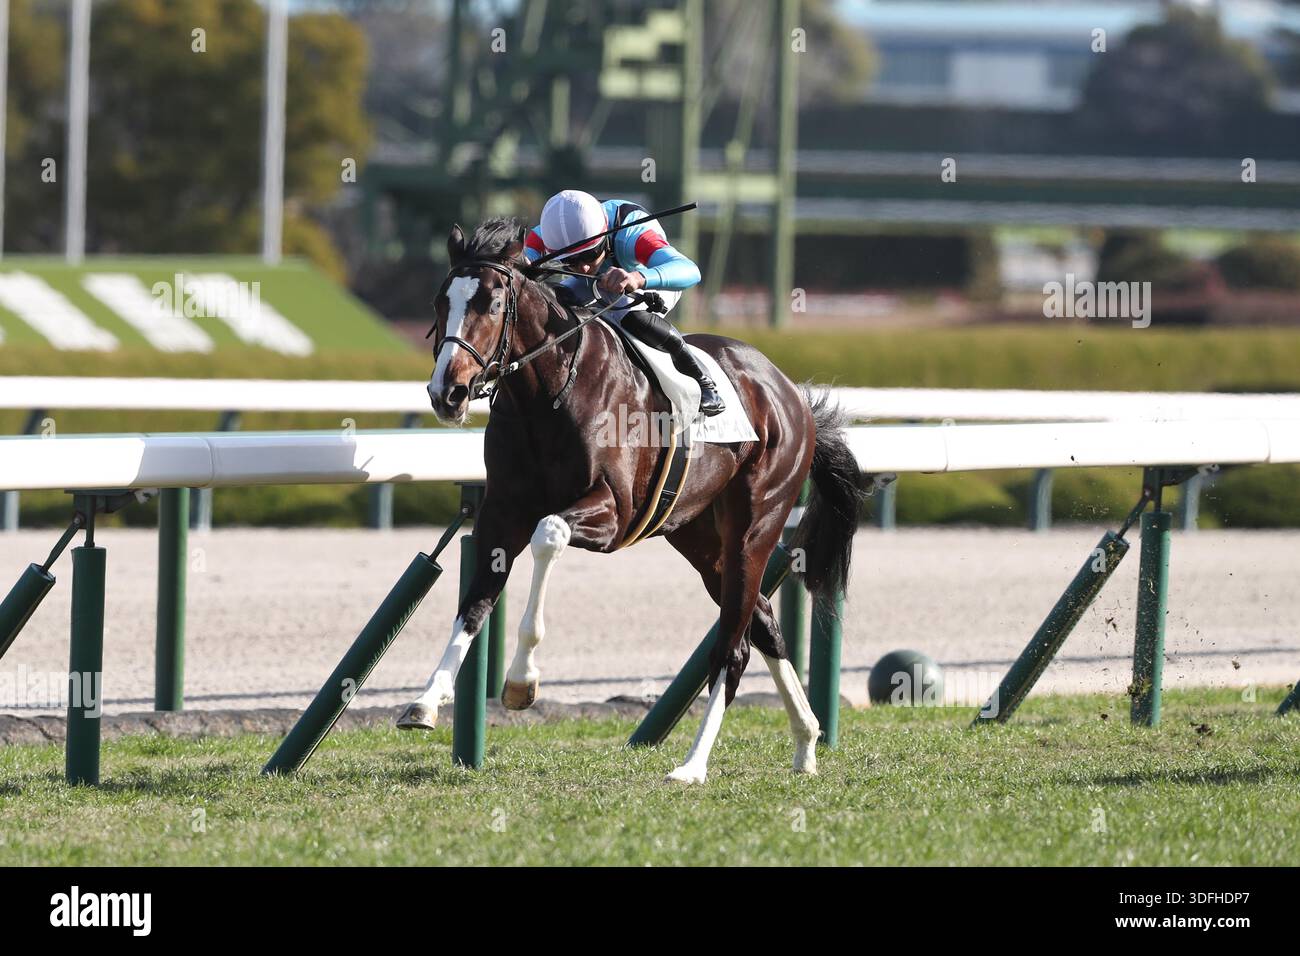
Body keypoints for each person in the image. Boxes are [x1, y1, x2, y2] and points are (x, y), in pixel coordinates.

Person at [524, 189, 724, 416]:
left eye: (590, 255)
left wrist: (637, 279)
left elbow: (691, 271)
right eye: (570, 261)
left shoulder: (632, 234)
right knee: (551, 302)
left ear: (603, 237)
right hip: (597, 283)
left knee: (629, 317)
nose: (583, 268)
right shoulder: (546, 235)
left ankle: (703, 380)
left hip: (650, 280)